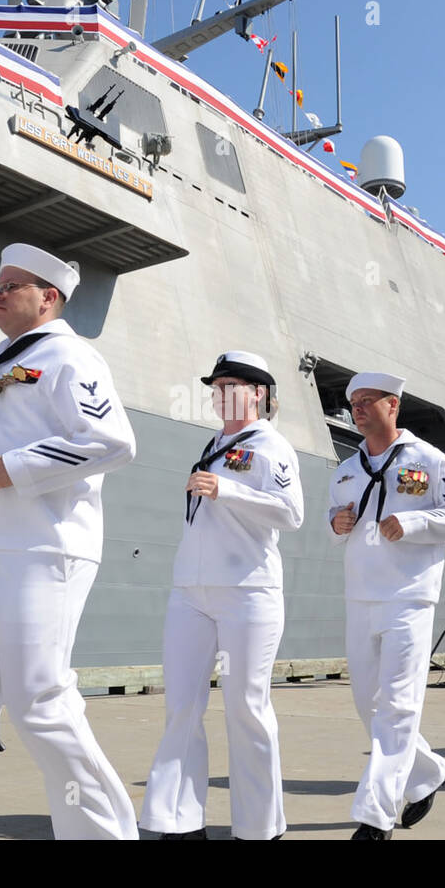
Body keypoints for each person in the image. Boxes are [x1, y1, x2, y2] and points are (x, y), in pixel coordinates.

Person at [0, 243, 138, 840]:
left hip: (45, 551)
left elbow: (112, 441)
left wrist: (15, 468)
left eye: (12, 284)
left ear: (48, 297)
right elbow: (2, 456)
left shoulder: (70, 357)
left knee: (40, 702)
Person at [140, 351, 303, 840]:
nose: (219, 393)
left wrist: (227, 491)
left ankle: (259, 828)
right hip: (191, 592)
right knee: (182, 707)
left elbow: (290, 512)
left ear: (258, 393)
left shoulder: (273, 447)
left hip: (248, 593)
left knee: (246, 708)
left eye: (230, 384)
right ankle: (178, 822)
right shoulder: (213, 445)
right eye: (215, 386)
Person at [327, 372, 445, 839]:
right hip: (360, 594)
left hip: (409, 596)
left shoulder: (429, 460)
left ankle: (375, 816)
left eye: (369, 401)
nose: (359, 408)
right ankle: (428, 771)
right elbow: (331, 516)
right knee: (367, 705)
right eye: (355, 402)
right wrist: (336, 520)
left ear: (393, 406)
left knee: (397, 705)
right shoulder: (347, 468)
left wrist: (411, 523)